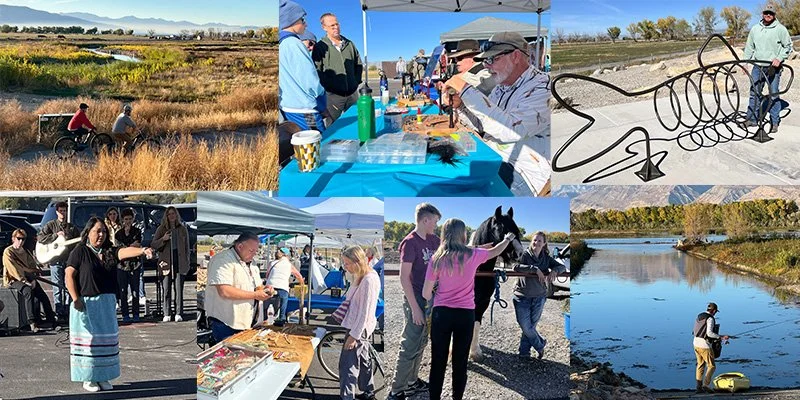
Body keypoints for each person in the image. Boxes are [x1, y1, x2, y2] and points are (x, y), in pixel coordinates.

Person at [443, 32, 551, 196]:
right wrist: (461, 107)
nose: (486, 66)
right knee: (446, 177)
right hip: (495, 158)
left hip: (524, 171)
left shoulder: (542, 87)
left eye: (492, 59)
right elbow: (484, 126)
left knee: (461, 193)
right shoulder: (502, 86)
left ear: (515, 56)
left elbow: (512, 131)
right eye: (485, 61)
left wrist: (465, 89)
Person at [422, 219, 514, 400]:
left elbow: (426, 293)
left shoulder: (436, 258)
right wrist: (508, 239)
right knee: (460, 362)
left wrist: (439, 290)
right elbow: (496, 251)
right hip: (465, 315)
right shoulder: (473, 254)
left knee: (438, 361)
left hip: (442, 314)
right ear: (463, 234)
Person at [65, 217, 153, 392]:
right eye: (97, 231)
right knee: (90, 343)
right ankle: (89, 378)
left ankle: (103, 376)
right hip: (86, 303)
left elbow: (124, 252)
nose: (101, 235)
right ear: (88, 232)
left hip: (106, 304)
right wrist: (75, 298)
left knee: (106, 341)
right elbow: (69, 275)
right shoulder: (80, 251)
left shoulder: (109, 251)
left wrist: (143, 250)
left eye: (104, 231)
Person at [387, 203, 441, 400]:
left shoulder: (435, 240)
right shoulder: (410, 243)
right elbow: (404, 278)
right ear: (425, 220)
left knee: (422, 341)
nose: (436, 225)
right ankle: (397, 390)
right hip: (416, 297)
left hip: (430, 297)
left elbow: (454, 249)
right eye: (435, 221)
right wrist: (415, 308)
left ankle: (411, 382)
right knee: (409, 344)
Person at [205, 233, 273, 342]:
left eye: (255, 251)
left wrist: (265, 290)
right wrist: (255, 295)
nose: (254, 255)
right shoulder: (222, 260)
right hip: (226, 323)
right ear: (240, 246)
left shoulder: (251, 262)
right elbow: (225, 291)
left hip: (246, 322)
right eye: (251, 251)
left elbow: (257, 285)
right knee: (228, 352)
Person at [337, 246, 381, 400]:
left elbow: (364, 312)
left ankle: (347, 397)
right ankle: (368, 392)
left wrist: (353, 336)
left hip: (358, 328)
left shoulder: (368, 279)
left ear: (357, 261)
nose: (345, 267)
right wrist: (356, 277)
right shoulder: (365, 276)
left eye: (347, 263)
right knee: (363, 361)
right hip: (362, 327)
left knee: (348, 366)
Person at [513, 232, 565, 359]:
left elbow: (562, 266)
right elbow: (515, 266)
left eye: (539, 241)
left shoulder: (546, 258)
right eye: (535, 240)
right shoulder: (524, 255)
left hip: (539, 297)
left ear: (544, 243)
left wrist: (555, 270)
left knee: (531, 327)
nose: (536, 243)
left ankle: (524, 353)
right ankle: (540, 344)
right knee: (525, 326)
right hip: (522, 296)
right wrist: (534, 269)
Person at [279, 0, 327, 132]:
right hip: (305, 111)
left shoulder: (281, 45)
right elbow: (310, 81)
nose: (305, 24)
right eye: (302, 20)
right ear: (292, 20)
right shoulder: (294, 44)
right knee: (317, 139)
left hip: (288, 108)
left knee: (300, 142)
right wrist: (322, 102)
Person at [744, 4, 793, 133]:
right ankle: (752, 119)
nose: (768, 15)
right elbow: (749, 46)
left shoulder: (780, 29)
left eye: (771, 13)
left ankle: (774, 121)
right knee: (754, 92)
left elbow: (788, 46)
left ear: (774, 15)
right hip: (758, 67)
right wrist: (745, 62)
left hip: (773, 67)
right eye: (766, 13)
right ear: (762, 14)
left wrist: (779, 58)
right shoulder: (755, 29)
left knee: (774, 93)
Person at [312, 13, 364, 125]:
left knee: (356, 123)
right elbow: (316, 70)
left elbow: (358, 64)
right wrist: (328, 87)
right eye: (332, 25)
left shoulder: (349, 44)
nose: (336, 27)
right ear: (324, 27)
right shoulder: (320, 47)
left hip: (352, 94)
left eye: (337, 24)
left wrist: (355, 82)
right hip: (333, 97)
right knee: (333, 127)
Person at [2, 229, 56, 332]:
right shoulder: (8, 252)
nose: (21, 241)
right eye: (18, 238)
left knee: (43, 296)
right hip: (13, 280)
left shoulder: (26, 251)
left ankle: (51, 320)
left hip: (28, 278)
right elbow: (13, 269)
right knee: (28, 291)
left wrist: (33, 279)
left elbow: (32, 266)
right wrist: (24, 281)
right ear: (13, 239)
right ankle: (32, 322)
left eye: (23, 239)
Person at [38, 201, 80, 320]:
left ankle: (67, 310)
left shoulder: (71, 228)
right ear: (57, 212)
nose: (63, 213)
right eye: (61, 211)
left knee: (68, 286)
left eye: (64, 211)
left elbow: (78, 243)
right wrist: (55, 236)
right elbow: (40, 238)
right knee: (57, 286)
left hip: (68, 261)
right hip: (55, 260)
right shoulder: (50, 225)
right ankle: (58, 311)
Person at [152, 206, 190, 322]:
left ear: (176, 215)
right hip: (166, 262)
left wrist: (187, 262)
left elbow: (187, 247)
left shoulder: (182, 229)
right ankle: (167, 312)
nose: (171, 216)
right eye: (169, 214)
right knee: (166, 288)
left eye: (173, 213)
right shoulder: (161, 229)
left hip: (179, 261)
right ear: (166, 216)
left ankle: (178, 312)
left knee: (178, 288)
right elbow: (154, 244)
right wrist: (163, 239)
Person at [693, 302, 730, 394]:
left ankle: (698, 387)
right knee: (711, 366)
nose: (715, 313)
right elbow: (709, 333)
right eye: (716, 312)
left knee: (700, 365)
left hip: (695, 342)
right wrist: (721, 337)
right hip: (704, 345)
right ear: (714, 311)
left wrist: (719, 337)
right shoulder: (710, 318)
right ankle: (705, 385)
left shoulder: (700, 316)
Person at [115, 208, 142, 323]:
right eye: (126, 219)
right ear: (122, 220)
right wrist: (130, 247)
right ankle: (125, 314)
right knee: (123, 291)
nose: (128, 221)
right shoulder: (118, 234)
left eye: (130, 219)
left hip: (135, 264)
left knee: (135, 291)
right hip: (122, 265)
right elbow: (120, 249)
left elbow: (137, 245)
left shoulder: (137, 231)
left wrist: (128, 247)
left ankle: (136, 313)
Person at [265, 247, 304, 322]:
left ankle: (265, 319)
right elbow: (299, 276)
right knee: (283, 305)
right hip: (282, 287)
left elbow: (267, 275)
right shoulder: (289, 265)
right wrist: (302, 282)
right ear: (287, 255)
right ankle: (282, 319)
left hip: (270, 286)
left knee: (266, 306)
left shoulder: (272, 263)